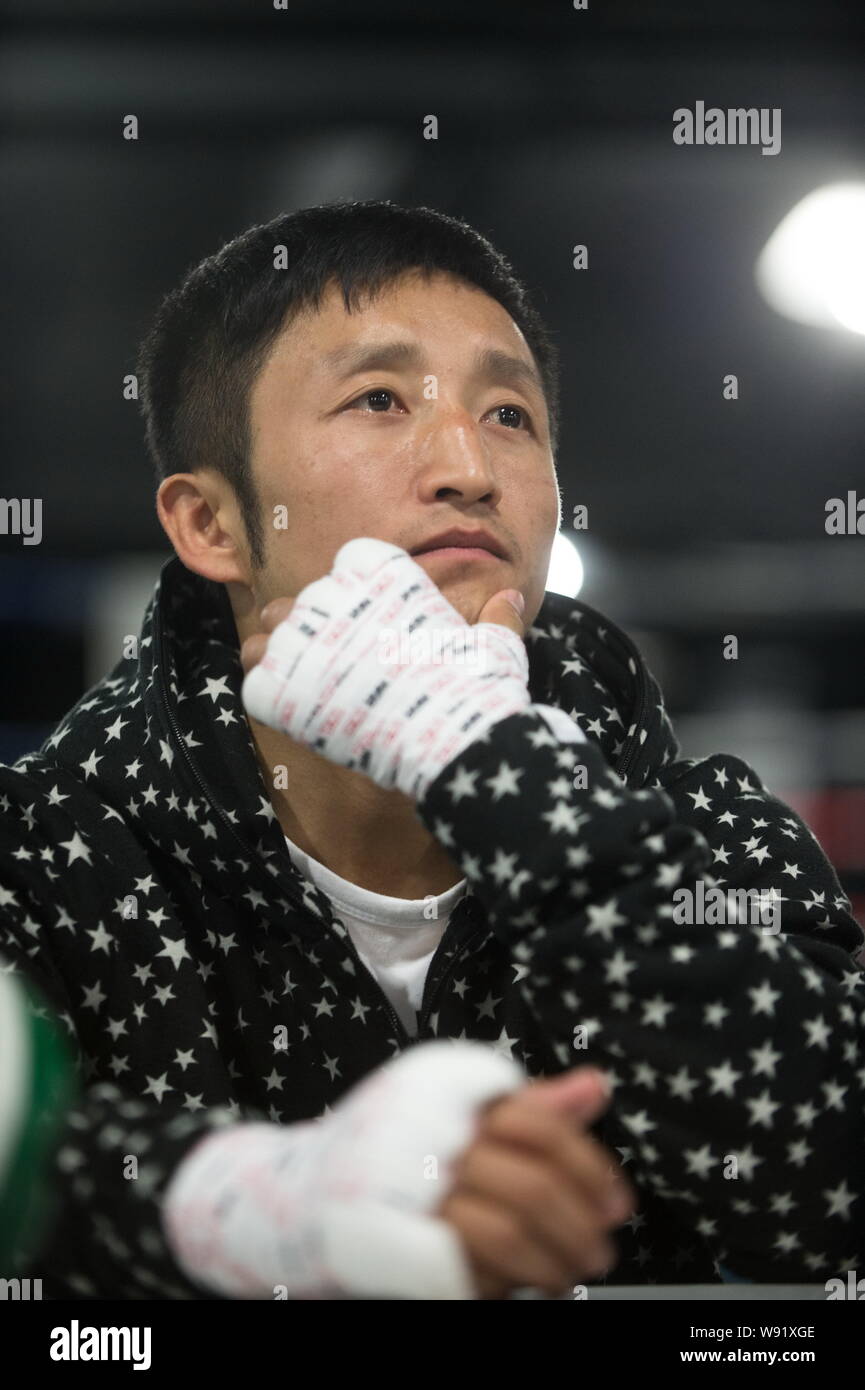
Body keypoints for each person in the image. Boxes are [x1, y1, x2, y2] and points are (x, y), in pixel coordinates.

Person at [0, 200, 862, 1299]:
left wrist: (497, 768)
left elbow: (828, 1186)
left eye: (510, 414)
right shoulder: (39, 867)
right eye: (377, 398)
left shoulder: (705, 834)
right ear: (212, 525)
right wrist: (264, 1208)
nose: (468, 463)